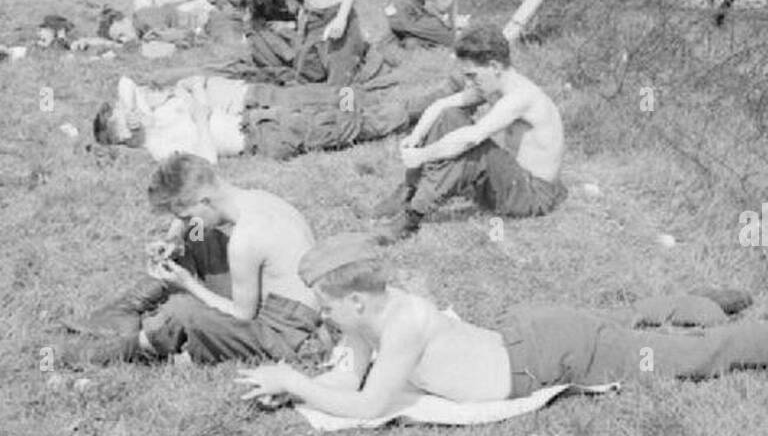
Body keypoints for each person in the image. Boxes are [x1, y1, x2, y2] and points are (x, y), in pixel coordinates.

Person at [236, 235, 768, 420]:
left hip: (544, 355)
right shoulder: (371, 309)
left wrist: (293, 380)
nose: (319, 313)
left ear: (355, 299)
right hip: (526, 333)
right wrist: (308, 381)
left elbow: (369, 404)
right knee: (620, 328)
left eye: (325, 303)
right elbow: (350, 366)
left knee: (696, 356)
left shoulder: (401, 322)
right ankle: (699, 300)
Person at [60, 154, 327, 367]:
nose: (186, 223)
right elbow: (195, 223)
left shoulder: (247, 237)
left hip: (283, 329)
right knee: (198, 239)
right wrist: (174, 240)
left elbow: (243, 314)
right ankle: (124, 313)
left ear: (204, 201)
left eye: (186, 216)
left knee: (182, 309)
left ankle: (118, 350)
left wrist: (189, 284)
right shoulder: (256, 199)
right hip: (283, 302)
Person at [373, 23, 565, 237]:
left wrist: (422, 155)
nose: (469, 82)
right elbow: (441, 106)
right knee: (450, 115)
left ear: (494, 66)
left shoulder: (521, 97)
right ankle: (409, 191)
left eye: (473, 75)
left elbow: (471, 138)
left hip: (531, 195)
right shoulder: (494, 85)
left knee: (474, 149)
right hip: (509, 181)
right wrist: (416, 136)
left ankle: (412, 217)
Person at [93, 71, 443, 164]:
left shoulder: (149, 116)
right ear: (124, 137)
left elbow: (125, 82)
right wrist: (200, 116)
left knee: (332, 106)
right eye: (126, 120)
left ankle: (421, 105)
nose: (133, 115)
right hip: (263, 135)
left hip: (257, 116)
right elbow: (208, 161)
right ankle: (426, 108)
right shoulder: (160, 148)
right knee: (347, 124)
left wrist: (137, 111)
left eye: (129, 112)